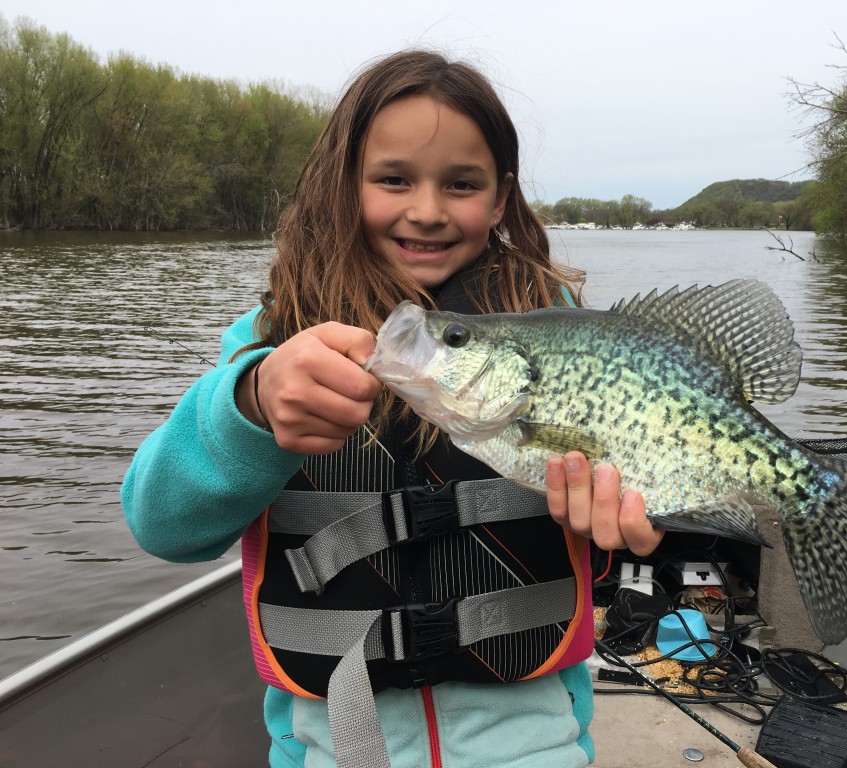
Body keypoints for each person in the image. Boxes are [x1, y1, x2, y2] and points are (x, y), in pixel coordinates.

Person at [122, 49, 663, 768]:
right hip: (336, 747)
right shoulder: (269, 348)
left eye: (461, 184)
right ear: (344, 185)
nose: (428, 211)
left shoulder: (560, 336)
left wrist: (635, 521)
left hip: (536, 745)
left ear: (500, 199)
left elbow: (632, 502)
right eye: (394, 179)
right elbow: (163, 527)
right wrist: (249, 405)